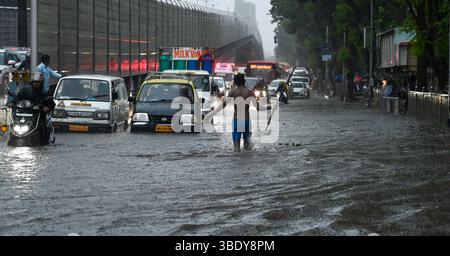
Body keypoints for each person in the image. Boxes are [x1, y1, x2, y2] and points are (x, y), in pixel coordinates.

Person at [217, 73, 256, 152]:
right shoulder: (250, 92)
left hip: (237, 121)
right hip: (247, 121)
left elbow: (224, 105)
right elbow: (258, 108)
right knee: (247, 148)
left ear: (235, 82)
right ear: (244, 81)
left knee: (236, 149)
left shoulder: (233, 92)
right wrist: (272, 107)